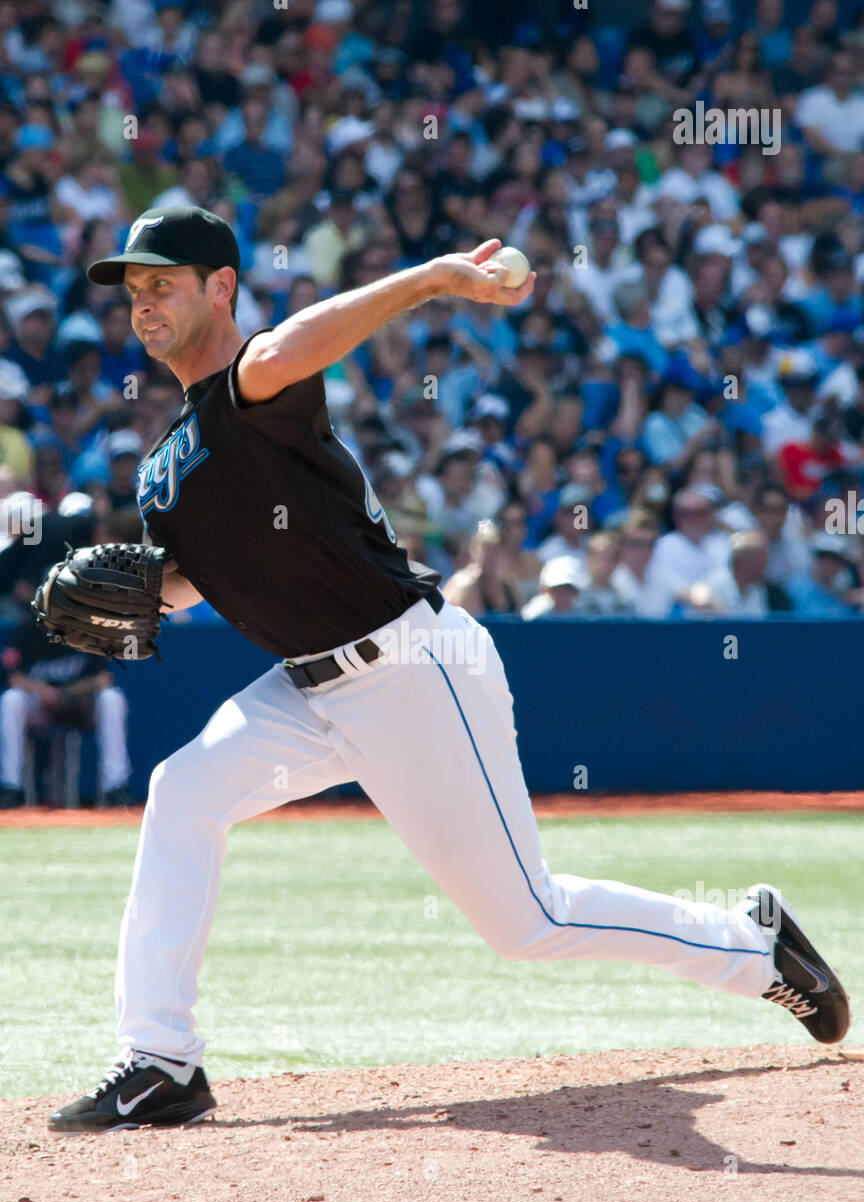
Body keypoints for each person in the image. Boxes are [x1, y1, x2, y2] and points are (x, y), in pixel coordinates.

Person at [46, 206, 848, 1133]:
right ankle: (161, 1062)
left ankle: (755, 948)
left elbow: (301, 340)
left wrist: (430, 276)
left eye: (163, 282)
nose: (143, 303)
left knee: (528, 924)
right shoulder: (163, 467)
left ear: (220, 286)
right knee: (182, 790)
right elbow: (195, 580)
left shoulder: (253, 377)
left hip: (414, 671)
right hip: (307, 689)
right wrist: (142, 594)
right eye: (134, 290)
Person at [0, 608, 131, 807]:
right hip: (39, 705)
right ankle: (11, 787)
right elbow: (12, 676)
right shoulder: (27, 629)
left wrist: (68, 693)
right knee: (11, 699)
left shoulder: (86, 628)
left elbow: (104, 678)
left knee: (111, 698)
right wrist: (42, 690)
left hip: (79, 705)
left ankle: (115, 786)